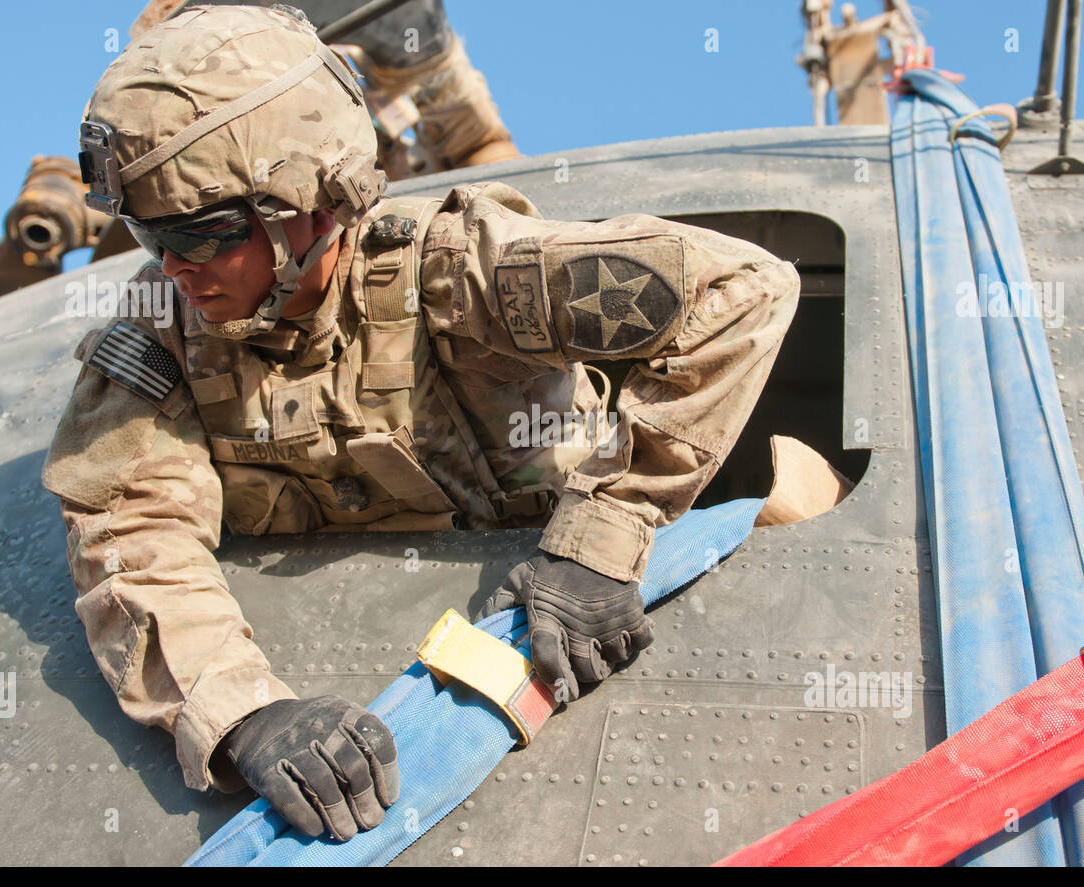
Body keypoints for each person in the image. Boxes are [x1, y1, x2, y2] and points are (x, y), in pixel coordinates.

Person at [43, 3, 800, 843]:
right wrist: (243, 715)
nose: (174, 264)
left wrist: (604, 539)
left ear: (312, 203)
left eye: (205, 231)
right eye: (149, 233)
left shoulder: (457, 270)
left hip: (569, 629)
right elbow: (131, 533)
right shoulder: (162, 330)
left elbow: (740, 291)